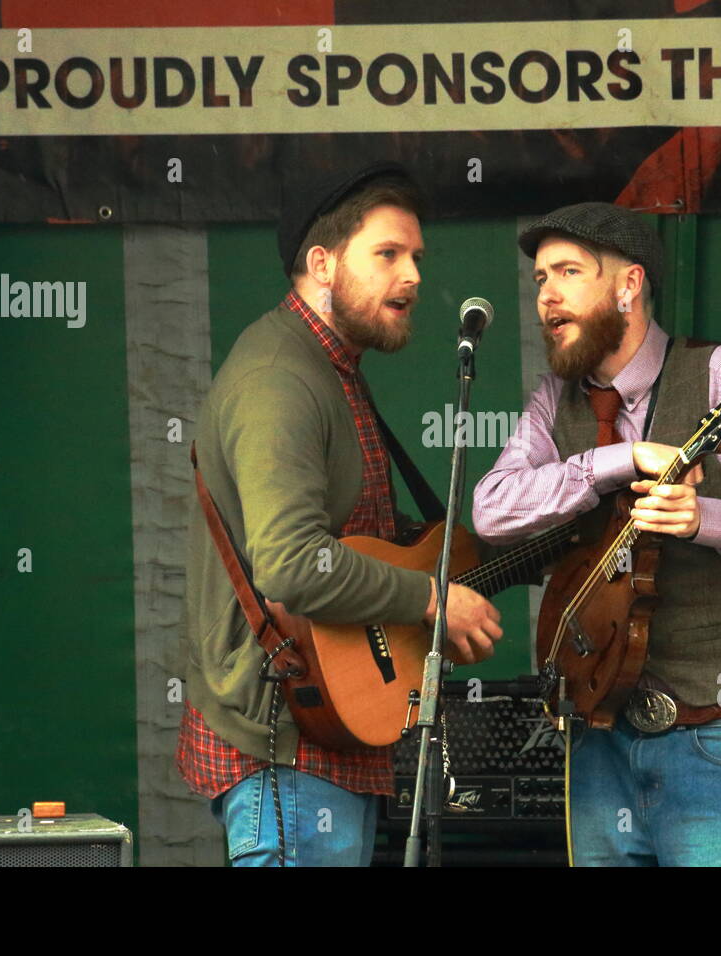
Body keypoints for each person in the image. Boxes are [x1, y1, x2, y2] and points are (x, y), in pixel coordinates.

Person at [471, 202, 721, 866]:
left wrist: (711, 519)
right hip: (595, 724)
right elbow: (492, 510)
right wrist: (616, 462)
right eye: (540, 279)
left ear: (630, 285)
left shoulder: (719, 377)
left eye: (569, 272)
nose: (548, 295)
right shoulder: (553, 400)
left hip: (717, 725)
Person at [178, 162, 503, 867]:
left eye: (416, 256)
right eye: (388, 255)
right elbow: (291, 563)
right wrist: (429, 597)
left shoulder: (329, 368)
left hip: (321, 741)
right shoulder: (281, 380)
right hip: (283, 748)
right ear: (321, 264)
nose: (413, 276)